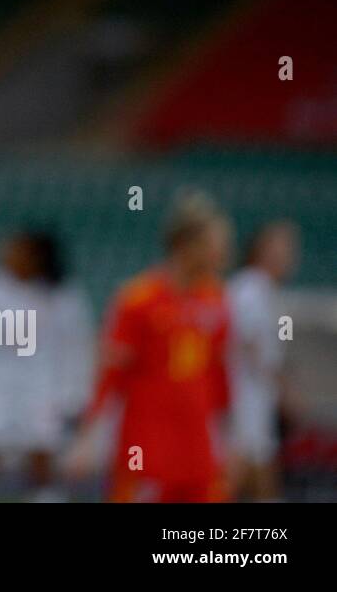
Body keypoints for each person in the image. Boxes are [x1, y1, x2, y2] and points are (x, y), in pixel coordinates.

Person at [64, 190, 233, 502]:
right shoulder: (138, 299)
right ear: (186, 244)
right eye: (216, 243)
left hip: (198, 447)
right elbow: (112, 371)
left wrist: (228, 434)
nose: (224, 252)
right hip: (146, 443)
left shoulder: (217, 299)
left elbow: (218, 372)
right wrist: (89, 435)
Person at [0, 231, 93, 501]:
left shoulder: (63, 296)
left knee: (42, 458)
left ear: (36, 257)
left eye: (18, 251)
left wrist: (74, 397)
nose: (9, 257)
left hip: (43, 389)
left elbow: (74, 350)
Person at [226, 220, 300, 501]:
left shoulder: (265, 291)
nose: (289, 255)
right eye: (282, 246)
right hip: (245, 402)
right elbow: (249, 345)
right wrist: (284, 389)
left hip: (256, 402)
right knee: (243, 475)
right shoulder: (250, 288)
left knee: (256, 479)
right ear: (262, 249)